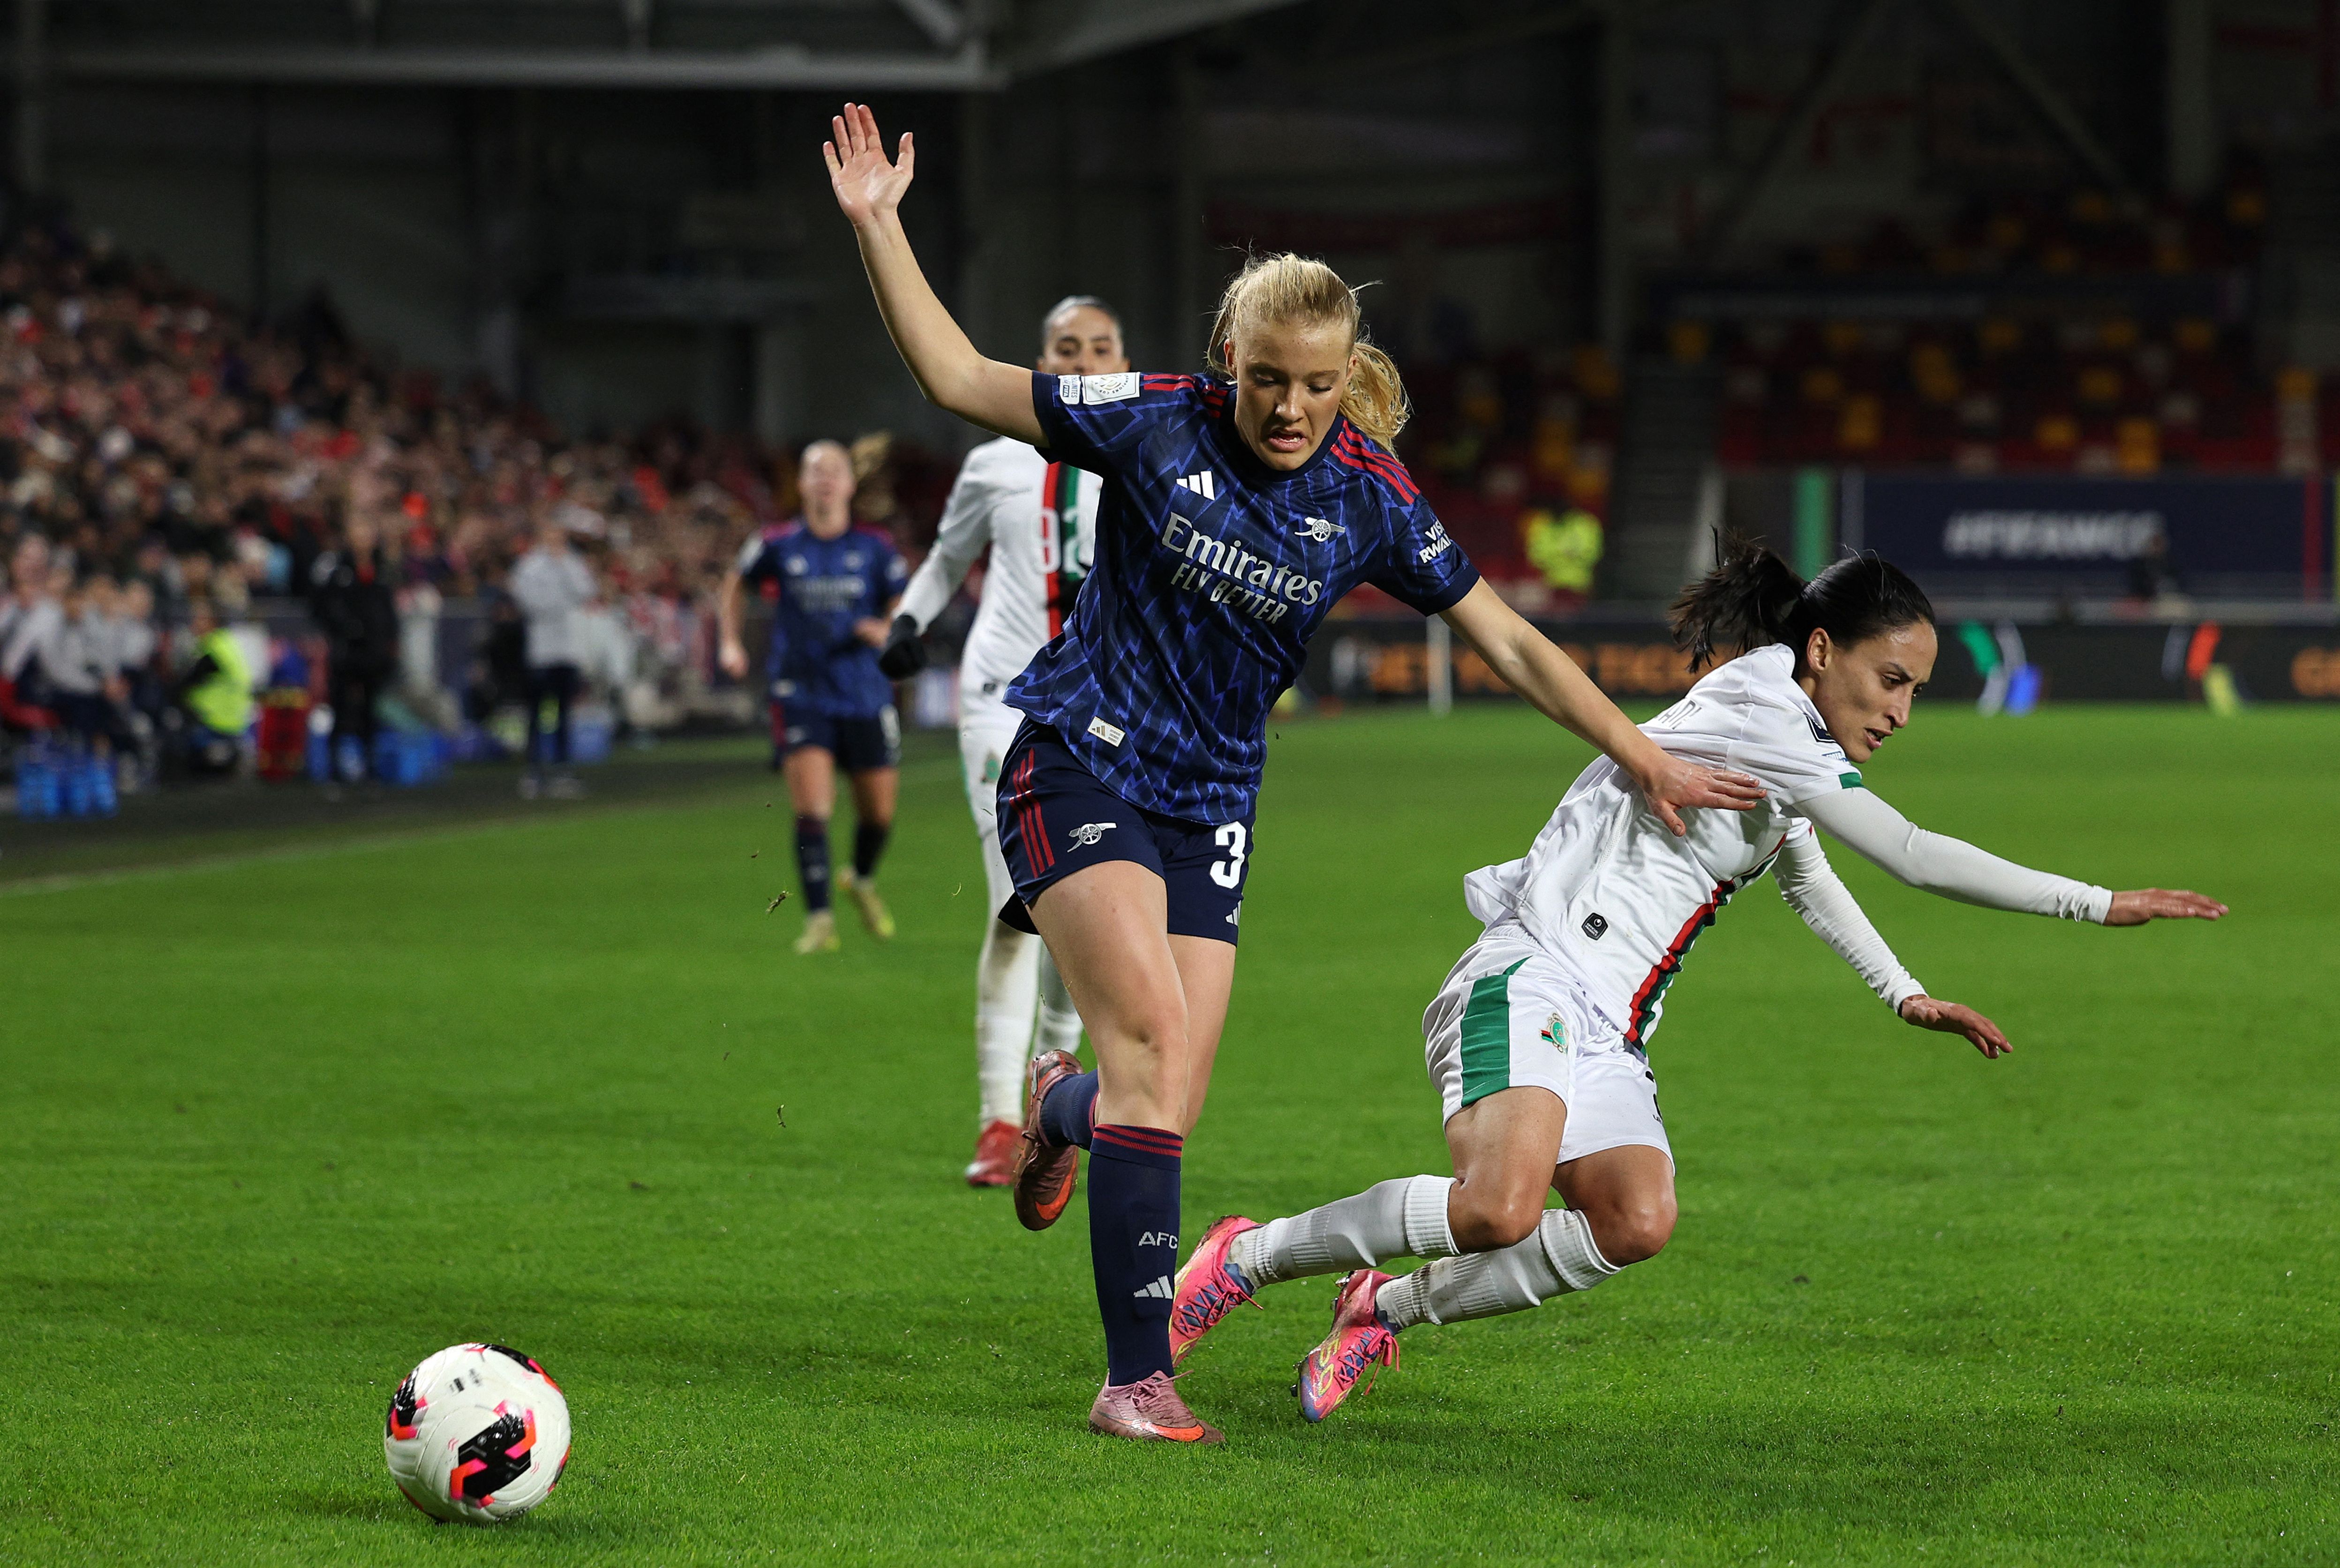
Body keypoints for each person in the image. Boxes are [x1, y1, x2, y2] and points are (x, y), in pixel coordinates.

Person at [822, 101, 1761, 1443]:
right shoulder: (1153, 420)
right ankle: (1133, 1378)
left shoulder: (1368, 493)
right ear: (1229, 359)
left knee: (1161, 1097)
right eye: (1267, 377)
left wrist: (1645, 752)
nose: (1290, 406)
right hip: (1080, 758)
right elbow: (957, 375)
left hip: (1210, 801)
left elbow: (1507, 639)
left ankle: (1059, 1109)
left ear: (1345, 375)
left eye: (1318, 384)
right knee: (1152, 1046)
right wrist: (877, 224)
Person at [1168, 541, 2229, 1425]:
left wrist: (1901, 990)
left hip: (1612, 1026)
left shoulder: (1784, 730)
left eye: (1916, 689)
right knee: (1497, 1205)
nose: (1903, 710)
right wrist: (2099, 901)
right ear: (1823, 650)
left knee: (1633, 1218)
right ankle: (1244, 1257)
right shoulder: (1767, 705)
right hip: (1533, 971)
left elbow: (1804, 869)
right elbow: (1909, 852)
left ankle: (1381, 1310)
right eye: (1892, 680)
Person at [880, 295, 1124, 1187]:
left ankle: (1046, 1088)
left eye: (1099, 348)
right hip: (998, 700)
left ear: (1123, 361)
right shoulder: (994, 461)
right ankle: (997, 1120)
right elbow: (949, 556)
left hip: (1103, 709)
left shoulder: (1150, 457)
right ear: (1040, 361)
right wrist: (909, 621)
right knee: (1017, 902)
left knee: (1080, 912)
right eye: (1066, 348)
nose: (1082, 362)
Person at [717, 439, 909, 955]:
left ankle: (860, 878)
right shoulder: (777, 543)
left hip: (865, 691)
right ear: (801, 484)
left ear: (849, 484)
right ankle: (819, 920)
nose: (824, 480)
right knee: (813, 808)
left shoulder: (875, 547)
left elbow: (904, 603)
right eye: (814, 471)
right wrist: (730, 642)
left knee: (878, 816)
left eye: (834, 471)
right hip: (800, 691)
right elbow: (734, 583)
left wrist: (887, 628)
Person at [510, 518, 598, 799]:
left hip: (568, 649)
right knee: (537, 713)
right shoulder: (530, 565)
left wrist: (564, 570)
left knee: (564, 713)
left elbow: (587, 592)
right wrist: (561, 603)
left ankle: (562, 770)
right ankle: (534, 771)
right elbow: (529, 601)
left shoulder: (573, 563)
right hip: (541, 651)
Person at [308, 515, 399, 782]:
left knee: (371, 710)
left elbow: (388, 611)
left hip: (374, 654)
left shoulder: (381, 569)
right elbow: (321, 607)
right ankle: (335, 769)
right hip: (347, 652)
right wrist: (344, 630)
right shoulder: (336, 569)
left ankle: (370, 767)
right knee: (340, 707)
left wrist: (388, 642)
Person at [168, 597, 254, 775]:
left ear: (211, 622)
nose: (194, 623)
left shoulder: (213, 650)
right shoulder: (226, 643)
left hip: (214, 721)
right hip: (235, 721)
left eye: (199, 619)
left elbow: (185, 684)